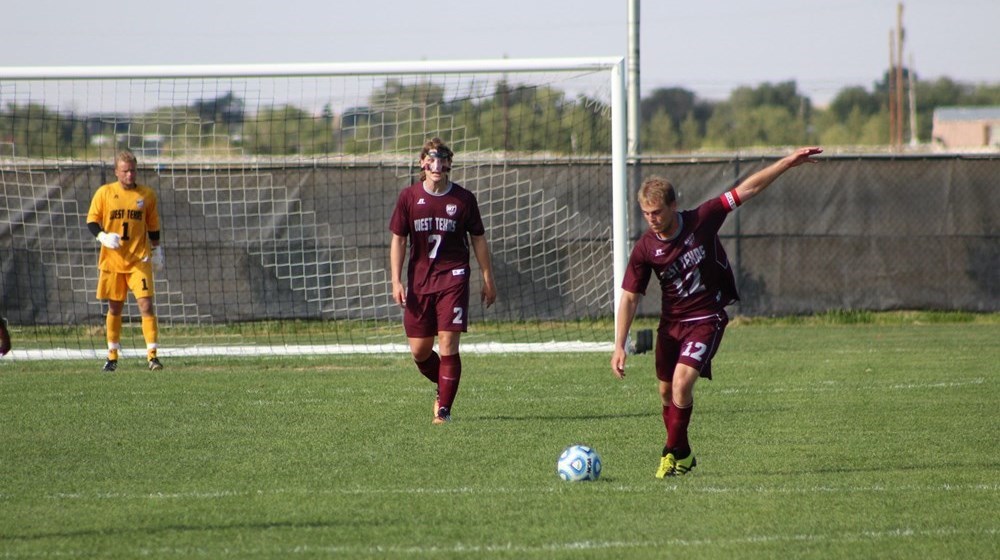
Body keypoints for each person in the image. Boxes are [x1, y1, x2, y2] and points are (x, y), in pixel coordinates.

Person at [611, 146, 823, 478]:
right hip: (671, 324)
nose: (651, 219)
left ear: (673, 206)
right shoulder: (645, 248)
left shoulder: (702, 219)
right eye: (646, 213)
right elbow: (629, 297)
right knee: (665, 391)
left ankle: (669, 453)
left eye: (657, 212)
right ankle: (684, 454)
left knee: (682, 384)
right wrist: (619, 345)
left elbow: (748, 189)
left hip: (705, 318)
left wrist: (786, 163)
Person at [389, 138, 497, 424]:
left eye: (443, 160)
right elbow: (399, 239)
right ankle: (444, 383)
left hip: (454, 278)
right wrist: (396, 280)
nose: (437, 165)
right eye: (432, 160)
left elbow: (478, 239)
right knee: (419, 351)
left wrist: (488, 277)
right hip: (420, 283)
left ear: (449, 164)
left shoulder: (463, 199)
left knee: (448, 343)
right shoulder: (409, 197)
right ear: (422, 163)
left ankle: (444, 410)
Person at [86, 149, 165, 372]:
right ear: (116, 172)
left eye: (133, 171)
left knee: (146, 305)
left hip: (139, 259)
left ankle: (152, 357)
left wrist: (157, 250)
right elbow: (91, 221)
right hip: (113, 261)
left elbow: (153, 226)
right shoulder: (105, 193)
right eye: (125, 171)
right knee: (114, 308)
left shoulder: (146, 195)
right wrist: (102, 236)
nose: (130, 175)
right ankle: (112, 357)